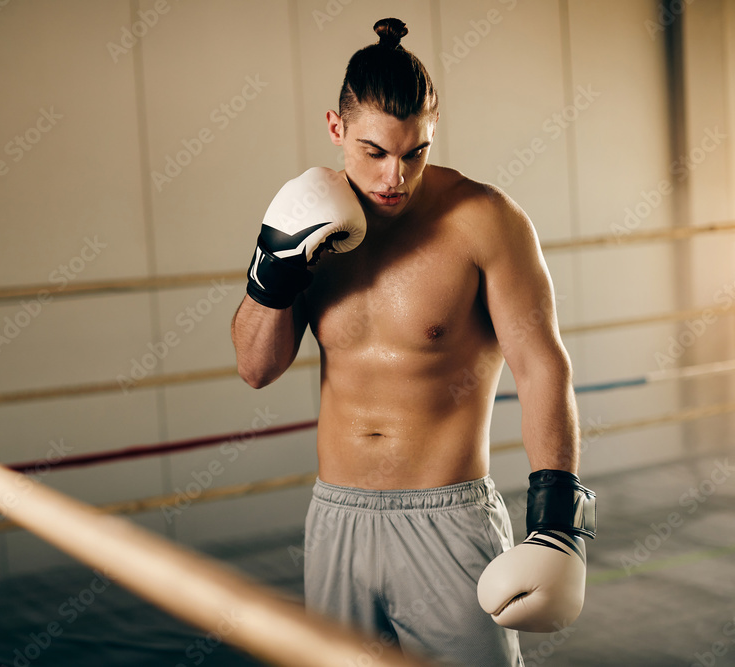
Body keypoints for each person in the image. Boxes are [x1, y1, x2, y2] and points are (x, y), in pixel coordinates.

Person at [231, 18, 595, 667]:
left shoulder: (485, 220)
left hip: (448, 521)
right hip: (337, 517)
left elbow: (542, 367)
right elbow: (256, 368)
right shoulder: (305, 217)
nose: (395, 175)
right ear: (335, 127)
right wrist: (273, 273)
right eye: (374, 151)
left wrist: (559, 520)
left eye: (415, 151)